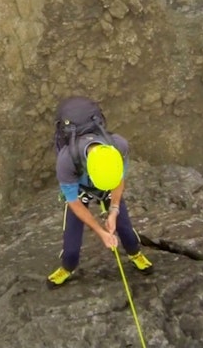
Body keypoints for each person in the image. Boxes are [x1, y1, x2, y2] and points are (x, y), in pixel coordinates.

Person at [47, 111, 153, 289]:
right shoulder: (66, 161)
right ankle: (67, 267)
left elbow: (118, 180)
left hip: (106, 185)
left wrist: (114, 210)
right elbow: (74, 203)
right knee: (71, 244)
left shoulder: (118, 147)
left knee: (125, 229)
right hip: (80, 190)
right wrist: (101, 231)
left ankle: (135, 253)